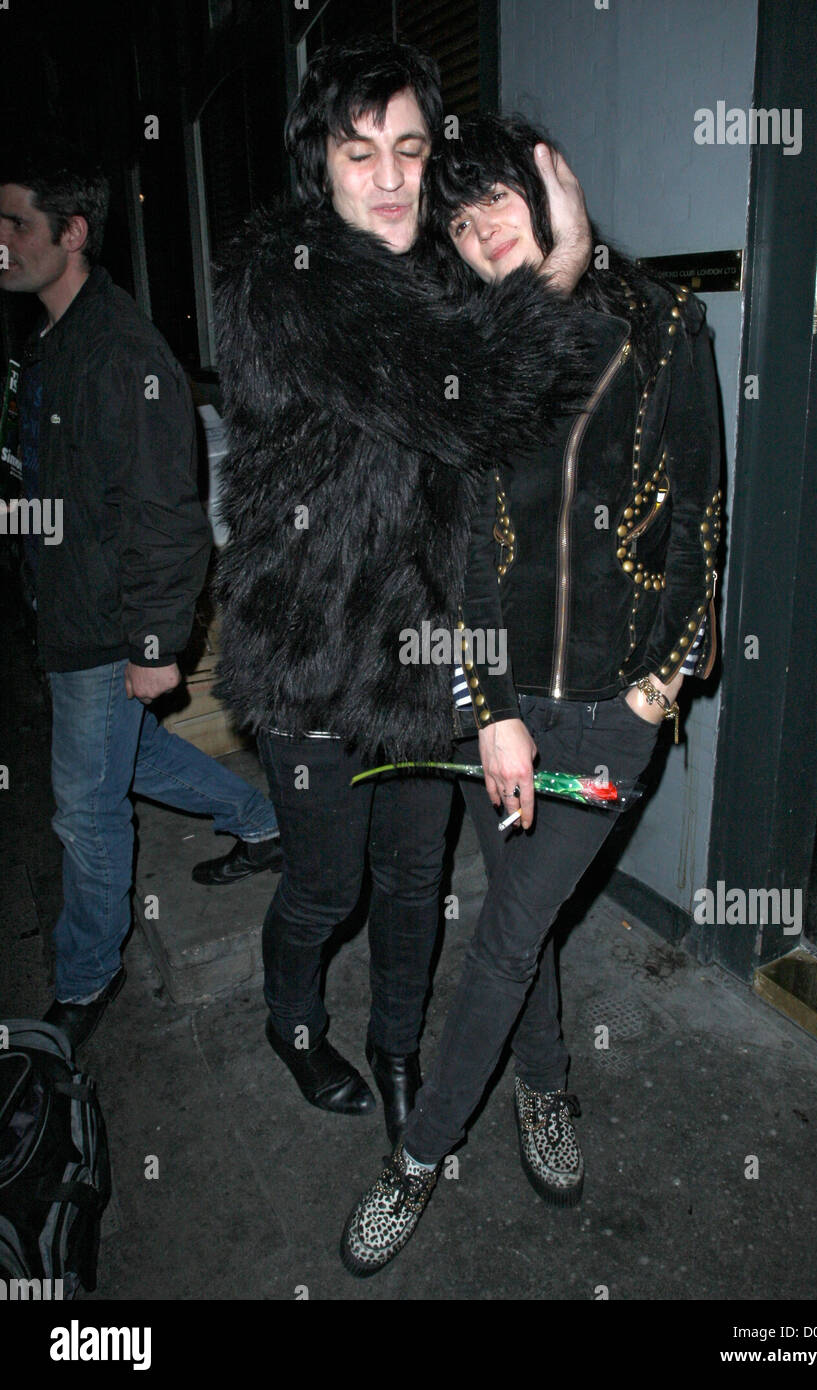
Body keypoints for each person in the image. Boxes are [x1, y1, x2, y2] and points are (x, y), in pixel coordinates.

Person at [341, 114, 722, 1275]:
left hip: (610, 712)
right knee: (529, 927)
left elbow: (701, 518)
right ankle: (545, 1089)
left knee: (504, 938)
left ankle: (416, 1157)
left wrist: (658, 691)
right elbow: (457, 556)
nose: (479, 230)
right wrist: (484, 707)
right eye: (456, 222)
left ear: (548, 186)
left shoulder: (659, 326)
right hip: (494, 704)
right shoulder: (477, 355)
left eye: (494, 199)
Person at [212, 41, 596, 1144]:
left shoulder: (433, 277)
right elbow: (471, 396)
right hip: (311, 658)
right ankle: (292, 1023)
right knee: (325, 890)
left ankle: (394, 1043)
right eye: (357, 150)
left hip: (427, 658)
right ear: (316, 161)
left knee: (415, 880)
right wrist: (557, 266)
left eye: (408, 151)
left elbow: (514, 451)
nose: (386, 178)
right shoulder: (287, 278)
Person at [0, 142, 282, 1049]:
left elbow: (168, 516)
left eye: (15, 226)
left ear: (71, 233)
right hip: (71, 612)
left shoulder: (123, 352)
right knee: (127, 762)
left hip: (106, 627)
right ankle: (266, 820)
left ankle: (87, 979)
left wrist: (157, 646)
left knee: (84, 807)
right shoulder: (54, 338)